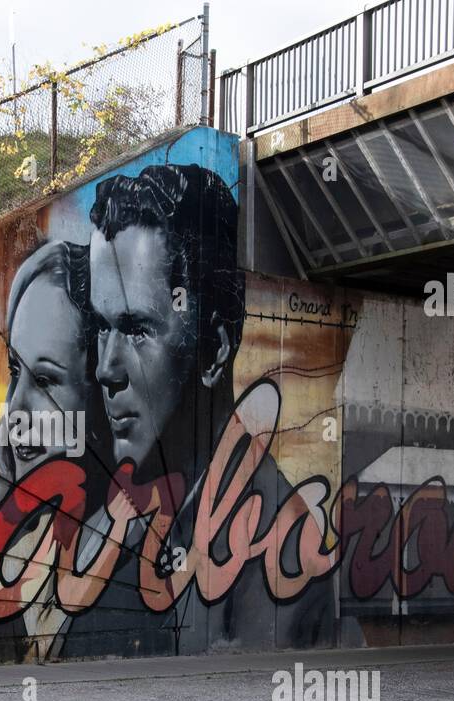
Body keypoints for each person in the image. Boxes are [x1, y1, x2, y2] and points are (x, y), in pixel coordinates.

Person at [68, 163, 335, 654]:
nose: (106, 368)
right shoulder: (114, 520)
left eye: (137, 330)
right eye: (103, 327)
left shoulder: (283, 551)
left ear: (213, 350)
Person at [0, 240, 113, 662]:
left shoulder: (130, 550)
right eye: (15, 371)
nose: (15, 408)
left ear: (99, 396)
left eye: (44, 381)